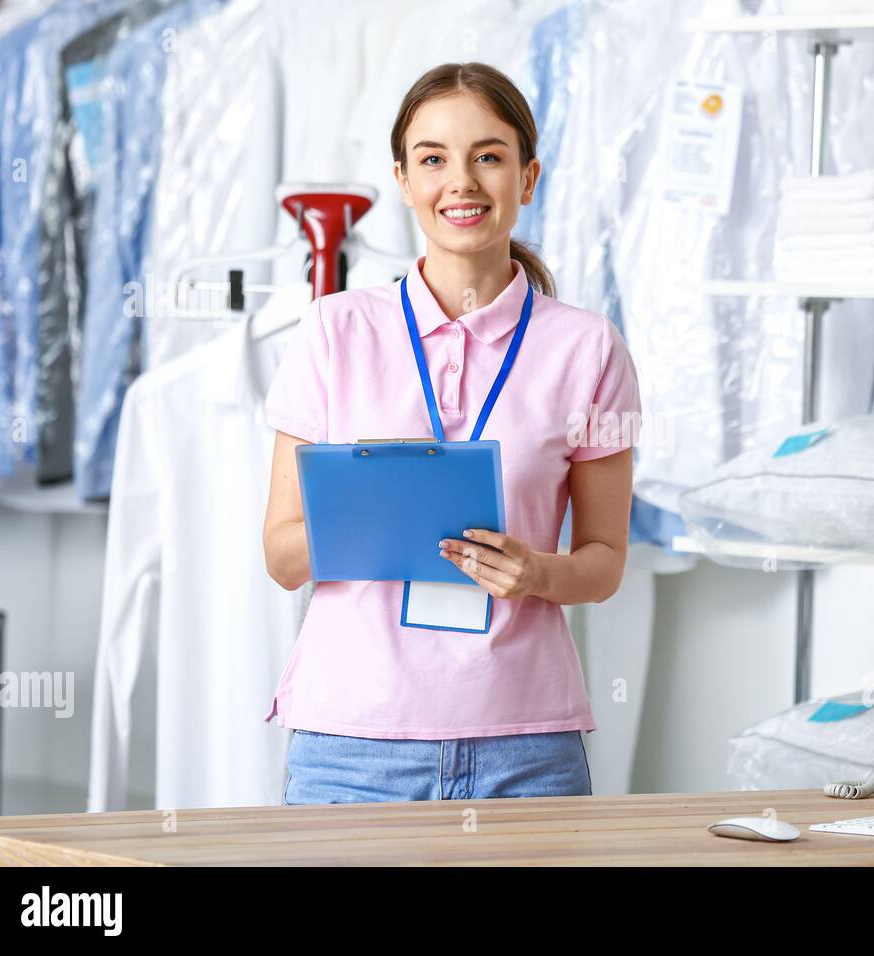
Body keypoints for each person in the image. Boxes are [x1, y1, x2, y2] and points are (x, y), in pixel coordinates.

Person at [261, 62, 641, 804]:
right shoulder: (334, 331)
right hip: (352, 748)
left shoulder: (590, 348)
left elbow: (604, 561)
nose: (460, 182)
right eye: (433, 158)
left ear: (527, 178)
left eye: (488, 156)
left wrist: (536, 573)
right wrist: (378, 517)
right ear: (403, 180)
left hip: (526, 750)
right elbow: (281, 556)